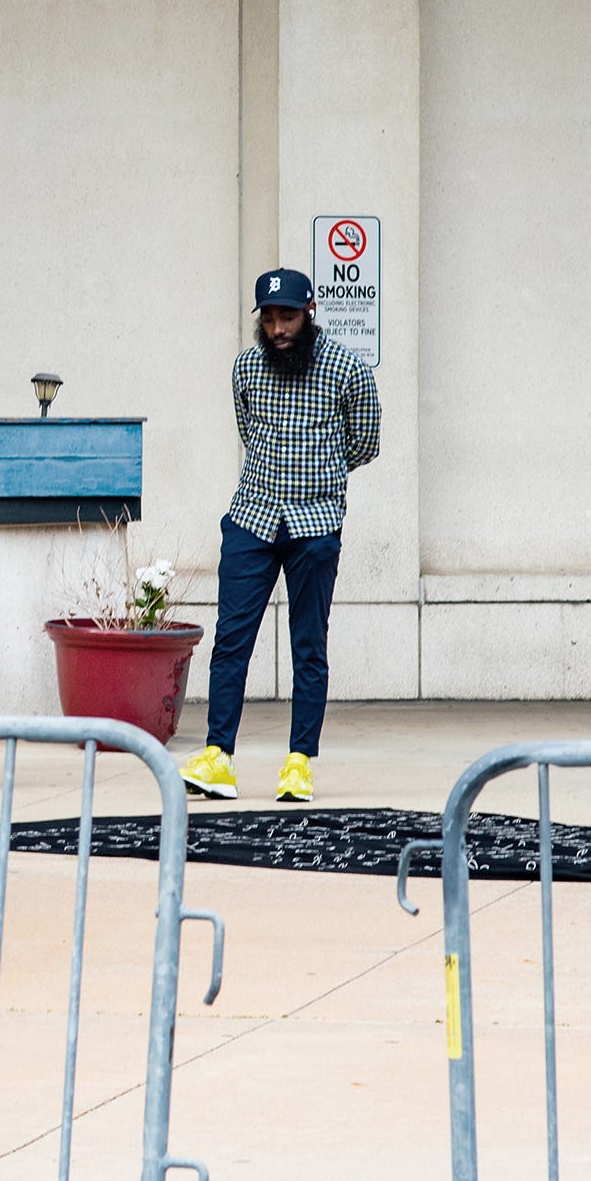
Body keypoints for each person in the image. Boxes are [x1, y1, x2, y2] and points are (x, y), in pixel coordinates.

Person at [182, 267, 380, 806]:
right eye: (268, 318)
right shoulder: (246, 369)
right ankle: (218, 756)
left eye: (287, 316)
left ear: (309, 311)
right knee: (231, 641)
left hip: (315, 526)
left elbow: (364, 443)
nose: (277, 329)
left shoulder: (347, 369)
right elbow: (249, 432)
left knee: (308, 646)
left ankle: (299, 763)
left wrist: (320, 477)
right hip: (251, 519)